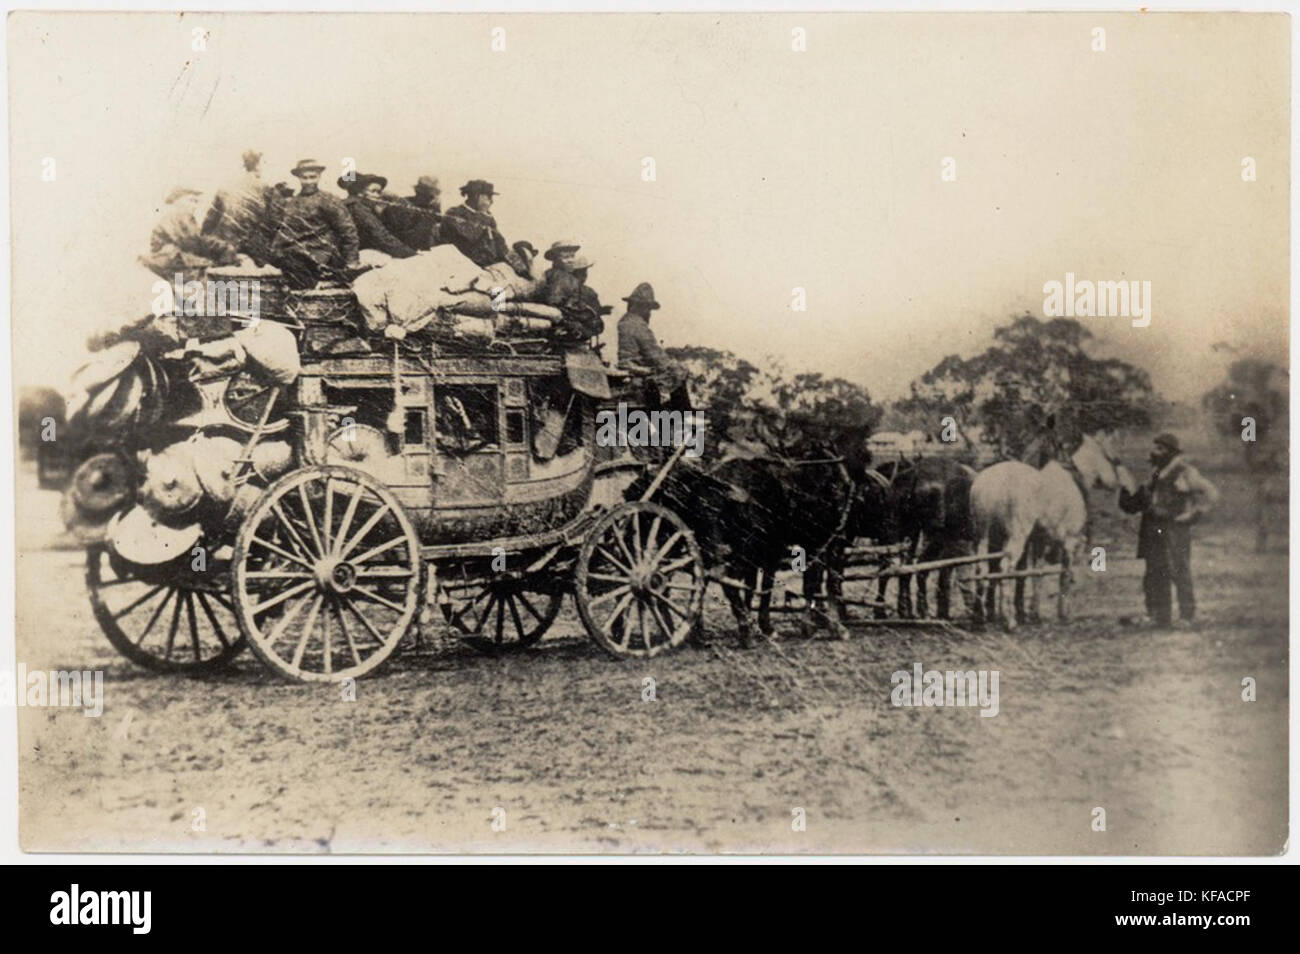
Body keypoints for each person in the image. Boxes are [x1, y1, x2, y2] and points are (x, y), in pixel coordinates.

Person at [1118, 432, 1219, 628]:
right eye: (1154, 448)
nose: (1154, 452)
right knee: (1154, 573)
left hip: (1174, 529)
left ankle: (1187, 617)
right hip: (1152, 528)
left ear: (1172, 452)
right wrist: (1126, 491)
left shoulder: (1185, 471)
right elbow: (1138, 503)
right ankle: (1158, 616)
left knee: (1179, 570)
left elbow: (1211, 493)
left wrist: (1195, 513)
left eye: (1160, 449)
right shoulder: (1156, 473)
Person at [269, 159, 360, 289]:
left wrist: (352, 262)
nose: (308, 182)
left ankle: (322, 283)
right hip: (297, 255)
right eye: (304, 178)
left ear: (319, 176)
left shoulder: (329, 200)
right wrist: (275, 251)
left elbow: (348, 231)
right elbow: (284, 231)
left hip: (322, 255)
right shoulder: (291, 203)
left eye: (312, 177)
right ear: (298, 178)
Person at [140, 186, 238, 285]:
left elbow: (197, 240)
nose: (195, 206)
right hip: (172, 263)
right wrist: (219, 251)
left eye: (196, 202)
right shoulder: (175, 217)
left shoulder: (183, 218)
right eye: (191, 201)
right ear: (177, 201)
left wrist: (222, 248)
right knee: (210, 285)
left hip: (178, 262)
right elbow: (191, 242)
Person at [616, 282, 689, 409]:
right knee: (678, 374)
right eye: (647, 308)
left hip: (627, 365)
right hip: (637, 368)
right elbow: (654, 354)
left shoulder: (624, 321)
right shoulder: (637, 325)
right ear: (639, 307)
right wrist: (674, 366)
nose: (649, 313)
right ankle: (683, 415)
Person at [201, 149, 276, 265]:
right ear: (257, 166)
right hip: (254, 255)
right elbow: (272, 224)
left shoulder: (225, 188)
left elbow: (207, 227)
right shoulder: (266, 188)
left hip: (226, 252)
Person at [440, 179, 526, 274]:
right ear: (476, 196)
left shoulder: (486, 217)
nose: (491, 201)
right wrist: (483, 217)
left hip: (488, 268)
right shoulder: (455, 213)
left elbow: (501, 244)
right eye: (488, 197)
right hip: (463, 269)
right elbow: (470, 236)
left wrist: (520, 268)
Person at [340, 173, 416, 259]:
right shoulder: (356, 207)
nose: (378, 196)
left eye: (379, 192)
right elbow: (380, 235)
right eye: (373, 191)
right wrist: (412, 255)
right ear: (359, 192)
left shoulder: (356, 205)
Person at [383, 174, 442, 251]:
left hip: (423, 248)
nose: (430, 199)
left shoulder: (432, 207)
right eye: (425, 195)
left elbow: (438, 222)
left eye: (431, 196)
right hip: (405, 247)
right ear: (417, 192)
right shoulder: (403, 204)